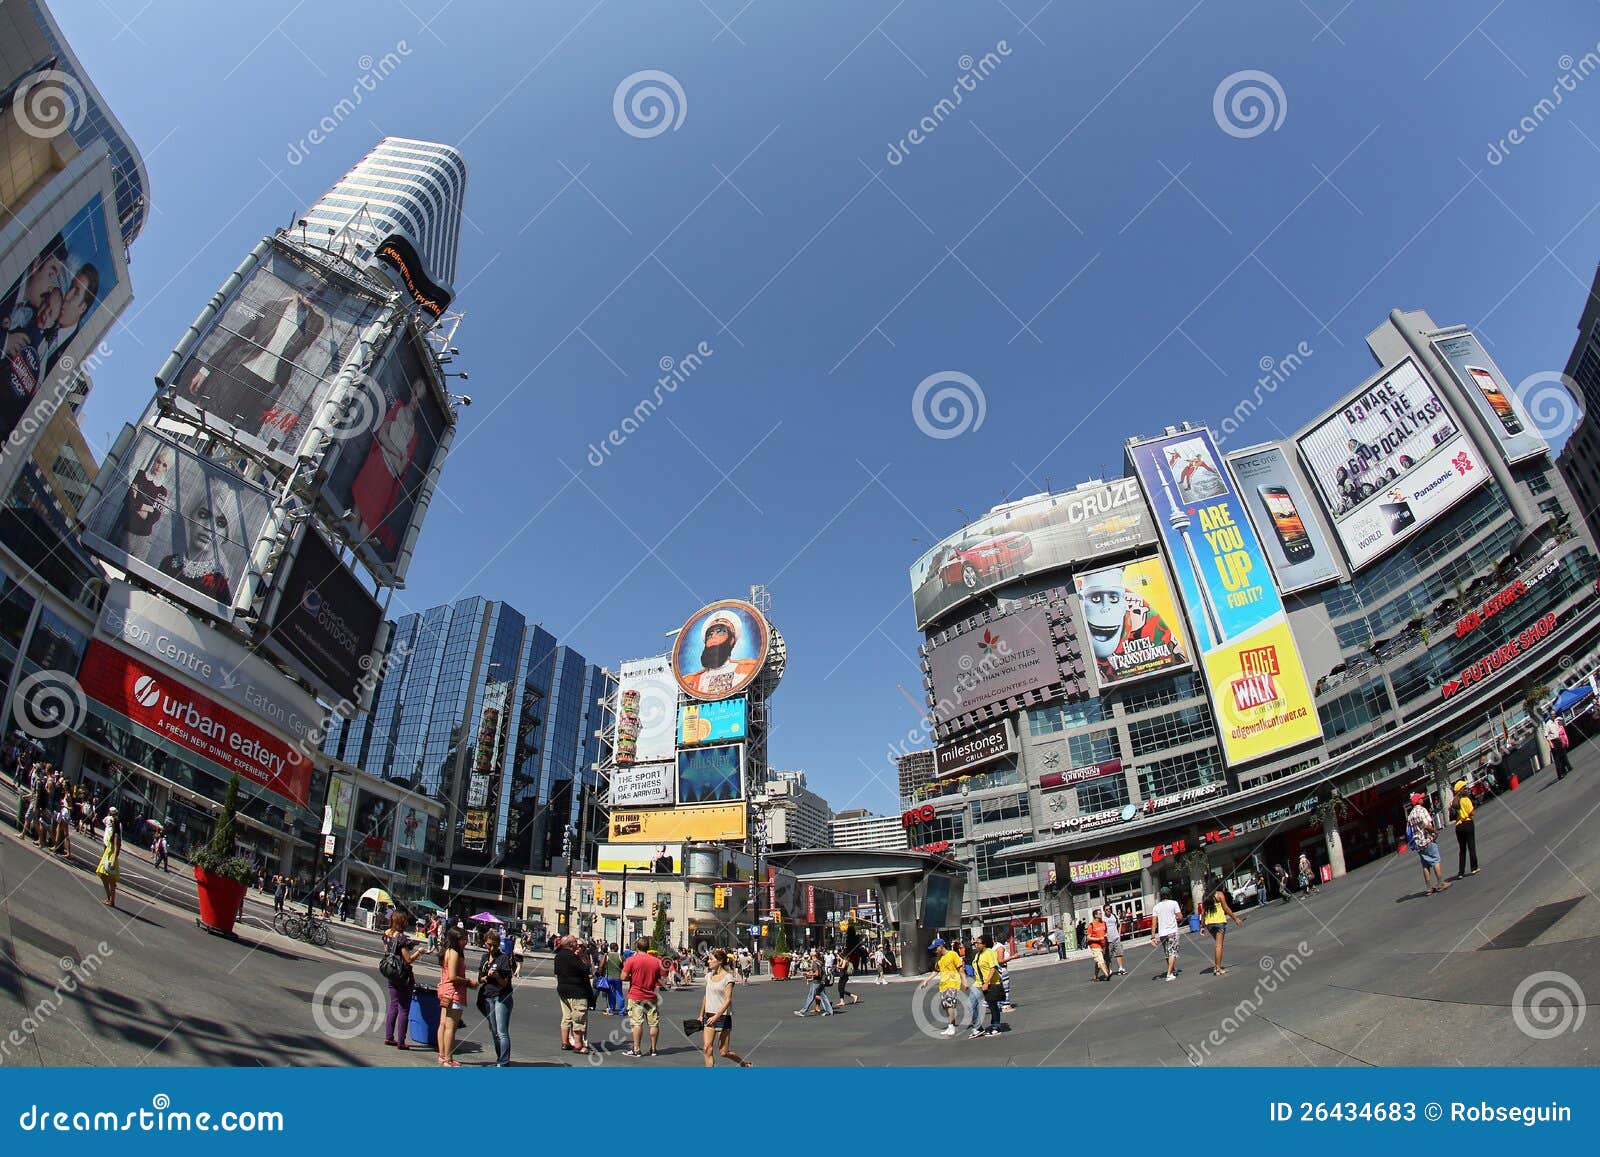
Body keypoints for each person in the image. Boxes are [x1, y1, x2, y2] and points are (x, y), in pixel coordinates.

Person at [157, 477, 237, 603]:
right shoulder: (168, 563)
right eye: (203, 515)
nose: (209, 528)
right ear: (191, 515)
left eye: (220, 523)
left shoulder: (219, 585)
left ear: (227, 535)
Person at [699, 949, 752, 1067]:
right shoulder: (708, 976)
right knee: (707, 1048)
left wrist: (717, 1016)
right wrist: (701, 1014)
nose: (708, 961)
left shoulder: (728, 978)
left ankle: (743, 1064)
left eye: (711, 959)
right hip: (709, 1015)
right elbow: (706, 996)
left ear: (720, 961)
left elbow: (728, 1000)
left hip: (722, 1016)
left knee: (723, 1052)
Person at [382, 912, 424, 1050]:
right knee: (404, 1008)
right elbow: (408, 959)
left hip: (391, 972)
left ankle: (389, 1036)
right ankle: (401, 1041)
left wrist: (407, 945)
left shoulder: (386, 933)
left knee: (393, 1005)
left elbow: (392, 951)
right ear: (402, 922)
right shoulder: (400, 938)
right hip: (403, 976)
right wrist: (419, 952)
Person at [435, 926, 476, 1067]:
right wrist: (468, 982)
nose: (466, 942)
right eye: (465, 939)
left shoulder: (448, 951)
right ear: (458, 940)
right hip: (454, 992)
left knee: (443, 1025)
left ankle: (442, 1055)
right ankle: (448, 1058)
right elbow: (453, 976)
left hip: (445, 990)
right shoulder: (454, 953)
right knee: (450, 1028)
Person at [479, 929, 519, 1065]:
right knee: (494, 1031)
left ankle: (504, 1062)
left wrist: (497, 976)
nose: (492, 948)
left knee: (502, 1032)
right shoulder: (484, 958)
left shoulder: (503, 958)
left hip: (502, 996)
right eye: (489, 944)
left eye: (495, 945)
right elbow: (480, 979)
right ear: (485, 943)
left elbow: (505, 983)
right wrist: (485, 977)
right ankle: (500, 1058)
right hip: (488, 996)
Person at [620, 937, 665, 1057]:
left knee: (637, 1023)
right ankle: (654, 1049)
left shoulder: (631, 960)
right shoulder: (656, 961)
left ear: (637, 947)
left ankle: (636, 1049)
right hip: (651, 995)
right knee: (653, 1023)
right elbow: (662, 978)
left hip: (636, 994)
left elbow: (623, 977)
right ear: (648, 947)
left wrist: (632, 977)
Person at [917, 937, 965, 1037]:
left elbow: (960, 968)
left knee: (949, 1004)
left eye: (935, 948)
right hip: (943, 984)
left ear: (941, 946)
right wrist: (927, 980)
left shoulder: (952, 954)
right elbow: (936, 970)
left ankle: (952, 1027)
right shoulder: (939, 958)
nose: (934, 951)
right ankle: (951, 1025)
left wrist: (964, 981)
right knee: (946, 1006)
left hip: (953, 982)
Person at [552, 934, 591, 1056]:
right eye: (575, 942)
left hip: (563, 990)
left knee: (566, 1017)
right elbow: (584, 970)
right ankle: (578, 1045)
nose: (577, 945)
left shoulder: (558, 956)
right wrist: (581, 957)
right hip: (577, 991)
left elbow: (557, 973)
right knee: (578, 1017)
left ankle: (565, 1042)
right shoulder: (572, 957)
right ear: (570, 944)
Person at [1406, 792, 1450, 895]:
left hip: (1419, 843)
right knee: (1435, 860)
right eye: (1421, 798)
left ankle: (1429, 888)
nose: (1423, 799)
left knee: (1425, 865)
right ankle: (1440, 884)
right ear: (1418, 801)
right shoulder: (1422, 810)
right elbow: (1426, 825)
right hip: (1427, 840)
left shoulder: (1411, 815)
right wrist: (1435, 831)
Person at [1201, 876, 1244, 975]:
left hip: (1209, 924)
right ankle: (1218, 969)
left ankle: (1217, 967)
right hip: (1219, 922)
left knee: (1217, 945)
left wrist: (1202, 926)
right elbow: (1226, 908)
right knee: (1219, 946)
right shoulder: (1219, 894)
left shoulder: (1205, 897)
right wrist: (1235, 918)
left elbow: (1203, 913)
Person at [970, 933, 1005, 1037]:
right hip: (978, 983)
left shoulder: (989, 952)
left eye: (978, 943)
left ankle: (996, 1025)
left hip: (991, 983)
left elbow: (993, 967)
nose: (975, 944)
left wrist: (987, 982)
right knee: (970, 1004)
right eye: (975, 942)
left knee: (992, 1005)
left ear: (984, 944)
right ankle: (977, 1028)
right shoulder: (977, 954)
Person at [1150, 886, 1184, 981]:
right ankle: (1169, 974)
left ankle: (1172, 970)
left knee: (1167, 953)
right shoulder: (1174, 903)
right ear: (1169, 894)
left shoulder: (1156, 907)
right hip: (1172, 931)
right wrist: (1176, 918)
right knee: (1173, 952)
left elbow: (1154, 923)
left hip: (1162, 933)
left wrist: (1152, 936)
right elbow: (1180, 917)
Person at [1451, 779, 1480, 879]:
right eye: (1464, 787)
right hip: (1467, 823)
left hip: (1458, 826)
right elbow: (1471, 813)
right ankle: (1474, 867)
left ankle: (1461, 872)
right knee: (1471, 846)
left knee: (1462, 849)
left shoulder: (1454, 801)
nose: (1466, 789)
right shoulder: (1466, 799)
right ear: (1461, 790)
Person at [793, 950, 834, 1017]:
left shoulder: (814, 963)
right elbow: (817, 970)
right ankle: (829, 1011)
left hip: (816, 982)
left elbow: (817, 973)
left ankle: (803, 1011)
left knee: (811, 996)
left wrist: (809, 974)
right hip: (822, 981)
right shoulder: (819, 962)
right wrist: (807, 969)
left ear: (813, 956)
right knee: (823, 996)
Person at [95, 806, 121, 908]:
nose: (111, 823)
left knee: (111, 880)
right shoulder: (113, 832)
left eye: (113, 822)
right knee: (103, 875)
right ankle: (109, 898)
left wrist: (113, 860)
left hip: (111, 856)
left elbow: (117, 848)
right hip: (108, 854)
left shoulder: (116, 835)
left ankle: (111, 900)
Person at [1544, 713, 1570, 779]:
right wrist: (1550, 743)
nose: (1554, 715)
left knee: (1562, 755)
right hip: (1553, 741)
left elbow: (1559, 729)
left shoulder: (1556, 722)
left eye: (1554, 714)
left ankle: (1564, 770)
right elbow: (1546, 735)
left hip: (1558, 739)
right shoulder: (1547, 724)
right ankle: (1560, 774)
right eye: (1552, 714)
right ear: (1550, 715)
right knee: (1557, 759)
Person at [1086, 909, 1110, 981]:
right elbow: (1088, 937)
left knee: (1098, 961)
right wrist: (1098, 939)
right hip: (1095, 945)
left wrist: (1105, 935)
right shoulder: (1092, 925)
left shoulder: (1104, 923)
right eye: (1099, 913)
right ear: (1095, 915)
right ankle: (1106, 974)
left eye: (1101, 913)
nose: (1101, 914)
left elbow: (1105, 932)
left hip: (1103, 945)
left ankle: (1095, 976)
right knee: (1100, 960)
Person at [1103, 906, 1126, 976]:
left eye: (1109, 909)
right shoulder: (1102, 918)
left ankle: (1120, 968)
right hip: (1108, 940)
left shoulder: (1114, 916)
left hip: (1116, 938)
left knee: (1119, 953)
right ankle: (1109, 970)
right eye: (1106, 910)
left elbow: (1119, 924)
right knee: (1108, 956)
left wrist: (1119, 934)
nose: (1108, 910)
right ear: (1104, 911)